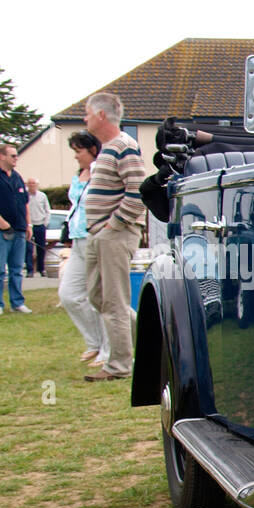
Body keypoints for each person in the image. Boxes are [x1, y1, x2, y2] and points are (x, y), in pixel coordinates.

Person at [81, 92, 145, 381]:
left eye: (88, 113)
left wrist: (113, 226)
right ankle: (153, 339)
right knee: (98, 296)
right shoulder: (108, 148)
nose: (85, 118)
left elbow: (137, 192)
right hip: (100, 235)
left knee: (114, 302)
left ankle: (119, 366)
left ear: (101, 115)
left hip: (114, 234)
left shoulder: (124, 146)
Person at [59, 130, 110, 366]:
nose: (76, 156)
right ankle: (94, 342)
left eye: (78, 151)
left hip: (96, 238)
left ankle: (109, 350)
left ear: (91, 149)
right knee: (69, 295)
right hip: (77, 240)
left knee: (100, 296)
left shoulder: (103, 171)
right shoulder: (79, 174)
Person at [0, 144, 32, 314]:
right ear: (2, 156)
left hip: (19, 230)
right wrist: (2, 223)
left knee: (17, 269)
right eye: (12, 156)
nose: (16, 158)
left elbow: (25, 202)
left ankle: (17, 303)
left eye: (16, 155)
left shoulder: (18, 177)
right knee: (0, 269)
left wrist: (28, 224)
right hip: (2, 230)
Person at [25, 177, 51, 277]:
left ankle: (41, 269)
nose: (31, 185)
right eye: (29, 183)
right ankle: (30, 270)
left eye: (33, 183)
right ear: (27, 185)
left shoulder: (42, 196)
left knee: (41, 248)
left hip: (40, 225)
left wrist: (45, 223)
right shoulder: (24, 195)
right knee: (29, 249)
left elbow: (47, 210)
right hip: (29, 226)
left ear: (37, 185)